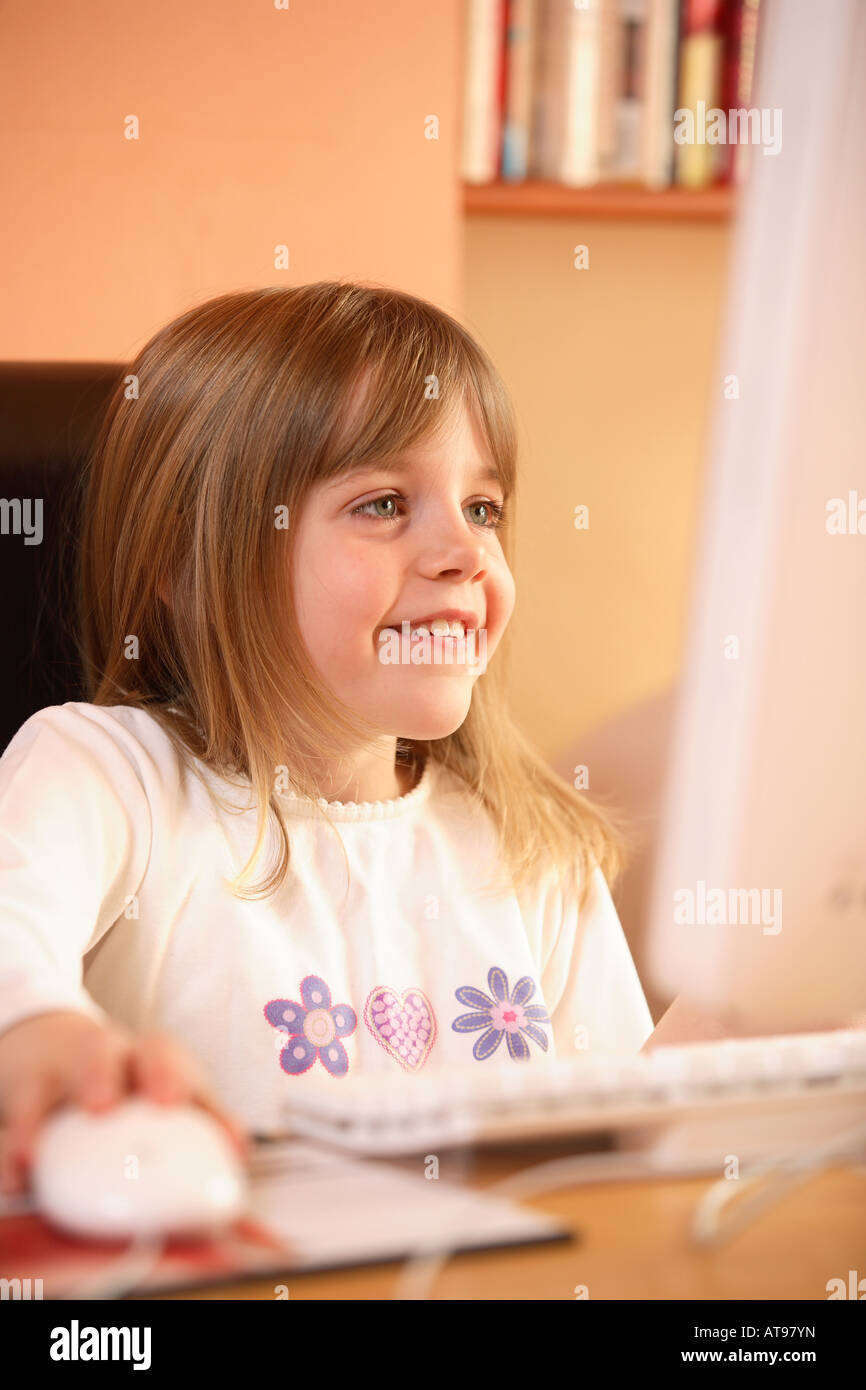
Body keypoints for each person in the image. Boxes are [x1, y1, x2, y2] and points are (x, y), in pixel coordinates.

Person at [0, 282, 654, 1196]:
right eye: (384, 503)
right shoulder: (102, 777)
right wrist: (36, 1029)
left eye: (484, 508)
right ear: (185, 567)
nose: (465, 552)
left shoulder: (533, 843)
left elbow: (617, 1153)